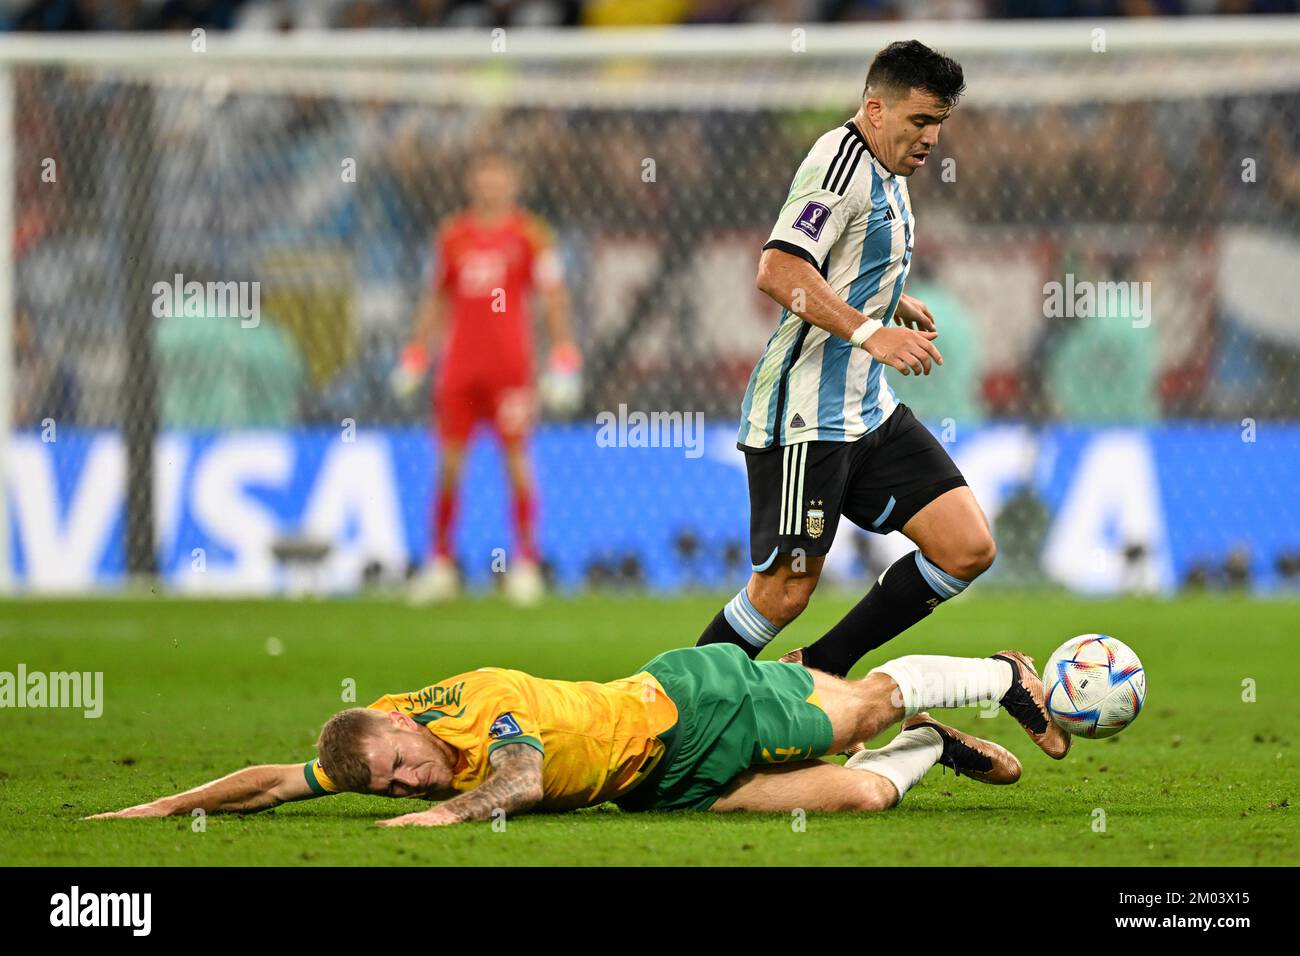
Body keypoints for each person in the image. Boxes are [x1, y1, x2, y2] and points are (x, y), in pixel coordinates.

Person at [697, 40, 996, 678]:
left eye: (939, 123)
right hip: (806, 418)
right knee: (783, 593)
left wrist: (889, 299)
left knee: (966, 546)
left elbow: (842, 256)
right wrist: (869, 331)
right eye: (920, 121)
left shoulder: (888, 166)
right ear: (875, 108)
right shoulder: (839, 163)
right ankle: (666, 717)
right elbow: (778, 269)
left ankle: (820, 669)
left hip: (866, 412)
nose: (932, 138)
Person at [88, 645, 1068, 827]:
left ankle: (1001, 675)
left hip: (690, 704)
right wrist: (169, 803)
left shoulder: (475, 709)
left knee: (857, 709)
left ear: (403, 722)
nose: (408, 784)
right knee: (856, 791)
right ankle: (934, 741)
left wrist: (447, 818)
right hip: (658, 783)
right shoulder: (377, 733)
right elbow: (283, 779)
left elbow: (514, 780)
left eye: (402, 768)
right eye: (392, 789)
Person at [396, 151, 580, 605]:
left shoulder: (531, 235)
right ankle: (440, 563)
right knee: (449, 464)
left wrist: (563, 354)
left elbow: (552, 297)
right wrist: (416, 354)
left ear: (513, 183)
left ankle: (525, 563)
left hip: (510, 370)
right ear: (471, 182)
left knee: (517, 460)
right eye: (484, 176)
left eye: (499, 177)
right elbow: (435, 299)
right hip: (459, 368)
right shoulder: (451, 237)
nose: (491, 185)